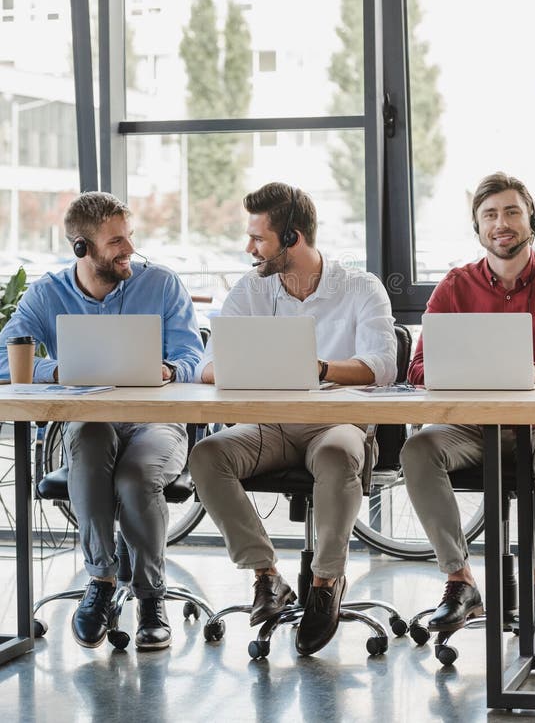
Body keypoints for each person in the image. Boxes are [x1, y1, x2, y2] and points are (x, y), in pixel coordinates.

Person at [189, 182, 397, 656]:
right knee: (207, 455)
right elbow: (205, 365)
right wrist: (242, 368)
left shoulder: (360, 289)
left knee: (342, 452)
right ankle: (267, 575)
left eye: (258, 238)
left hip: (336, 422)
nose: (249, 249)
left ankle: (326, 582)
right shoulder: (250, 290)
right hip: (270, 426)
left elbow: (383, 367)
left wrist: (318, 367)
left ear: (292, 238)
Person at [0, 192, 204, 651]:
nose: (128, 248)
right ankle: (103, 579)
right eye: (116, 241)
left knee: (135, 477)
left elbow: (194, 354)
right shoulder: (47, 293)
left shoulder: (162, 285)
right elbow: (3, 356)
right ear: (81, 247)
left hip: (156, 422)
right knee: (91, 447)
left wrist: (170, 370)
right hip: (90, 419)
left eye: (129, 236)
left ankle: (152, 596)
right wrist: (62, 370)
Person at [401, 171, 535, 637]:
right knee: (417, 450)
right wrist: (469, 376)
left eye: (512, 211)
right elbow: (417, 369)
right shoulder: (454, 286)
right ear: (477, 226)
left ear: (532, 218)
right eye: (489, 214)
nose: (501, 223)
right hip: (471, 427)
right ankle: (459, 581)